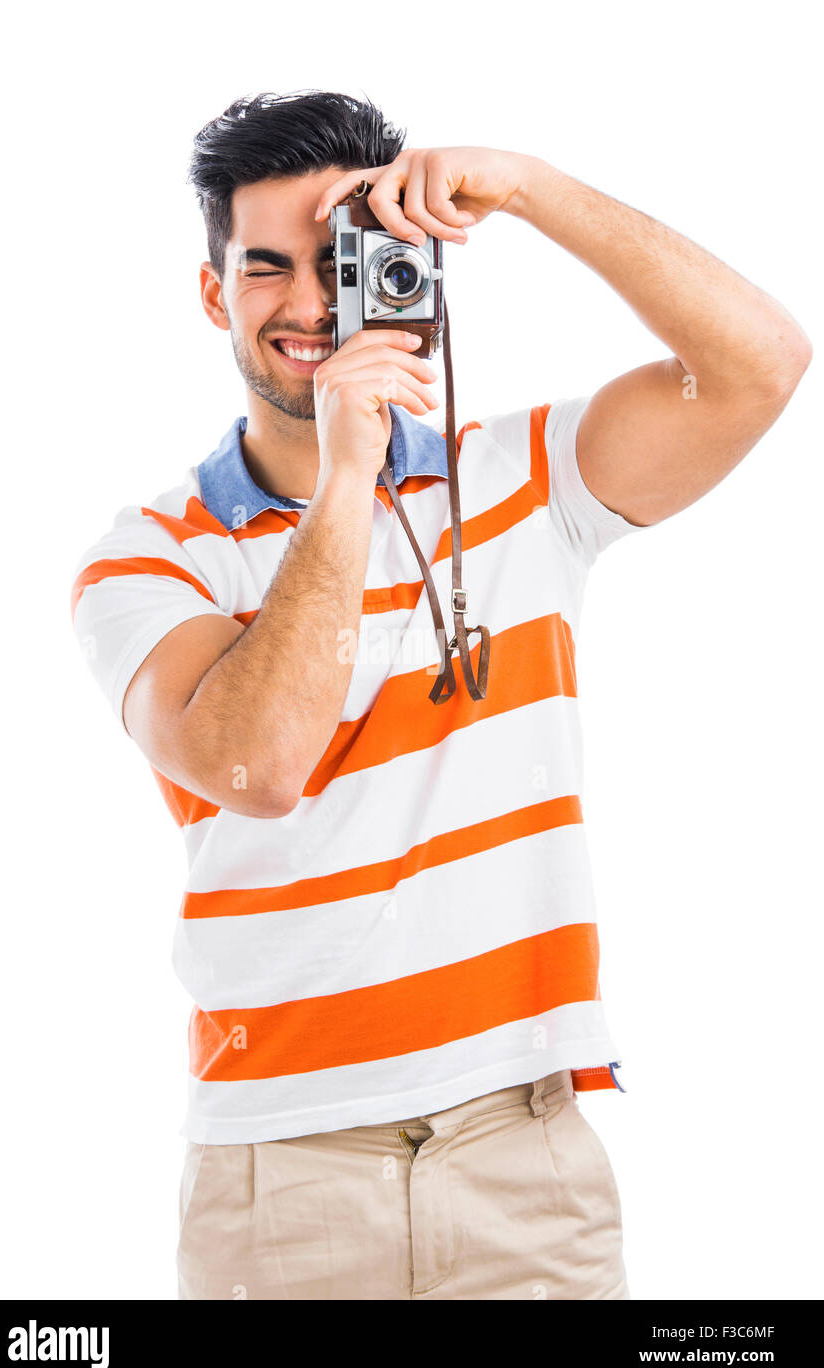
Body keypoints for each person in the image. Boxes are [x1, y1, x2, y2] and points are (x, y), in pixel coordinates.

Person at [70, 89, 811, 1301]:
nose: (312, 307)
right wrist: (349, 476)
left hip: (520, 1150)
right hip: (280, 1161)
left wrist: (527, 185)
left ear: (418, 275)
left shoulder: (524, 477)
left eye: (349, 264)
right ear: (216, 296)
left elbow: (759, 363)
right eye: (268, 270)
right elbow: (254, 767)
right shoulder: (150, 556)